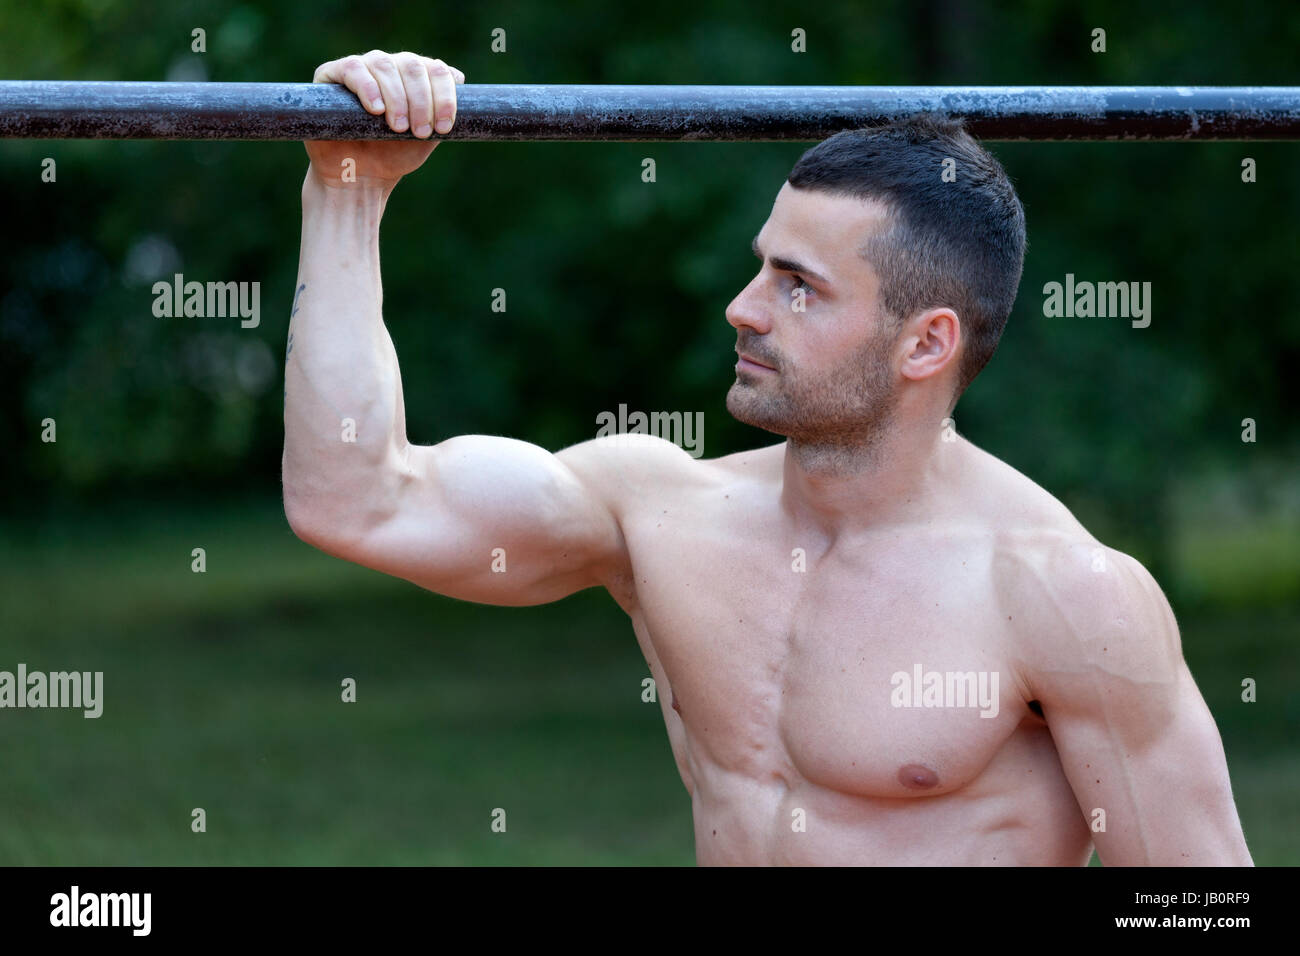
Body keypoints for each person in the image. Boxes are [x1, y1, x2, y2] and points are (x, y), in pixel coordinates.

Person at [283, 49, 1254, 866]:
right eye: (761, 265)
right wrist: (348, 187)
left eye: (798, 286)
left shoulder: (1061, 593)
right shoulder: (656, 509)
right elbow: (356, 495)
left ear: (925, 343)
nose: (742, 307)